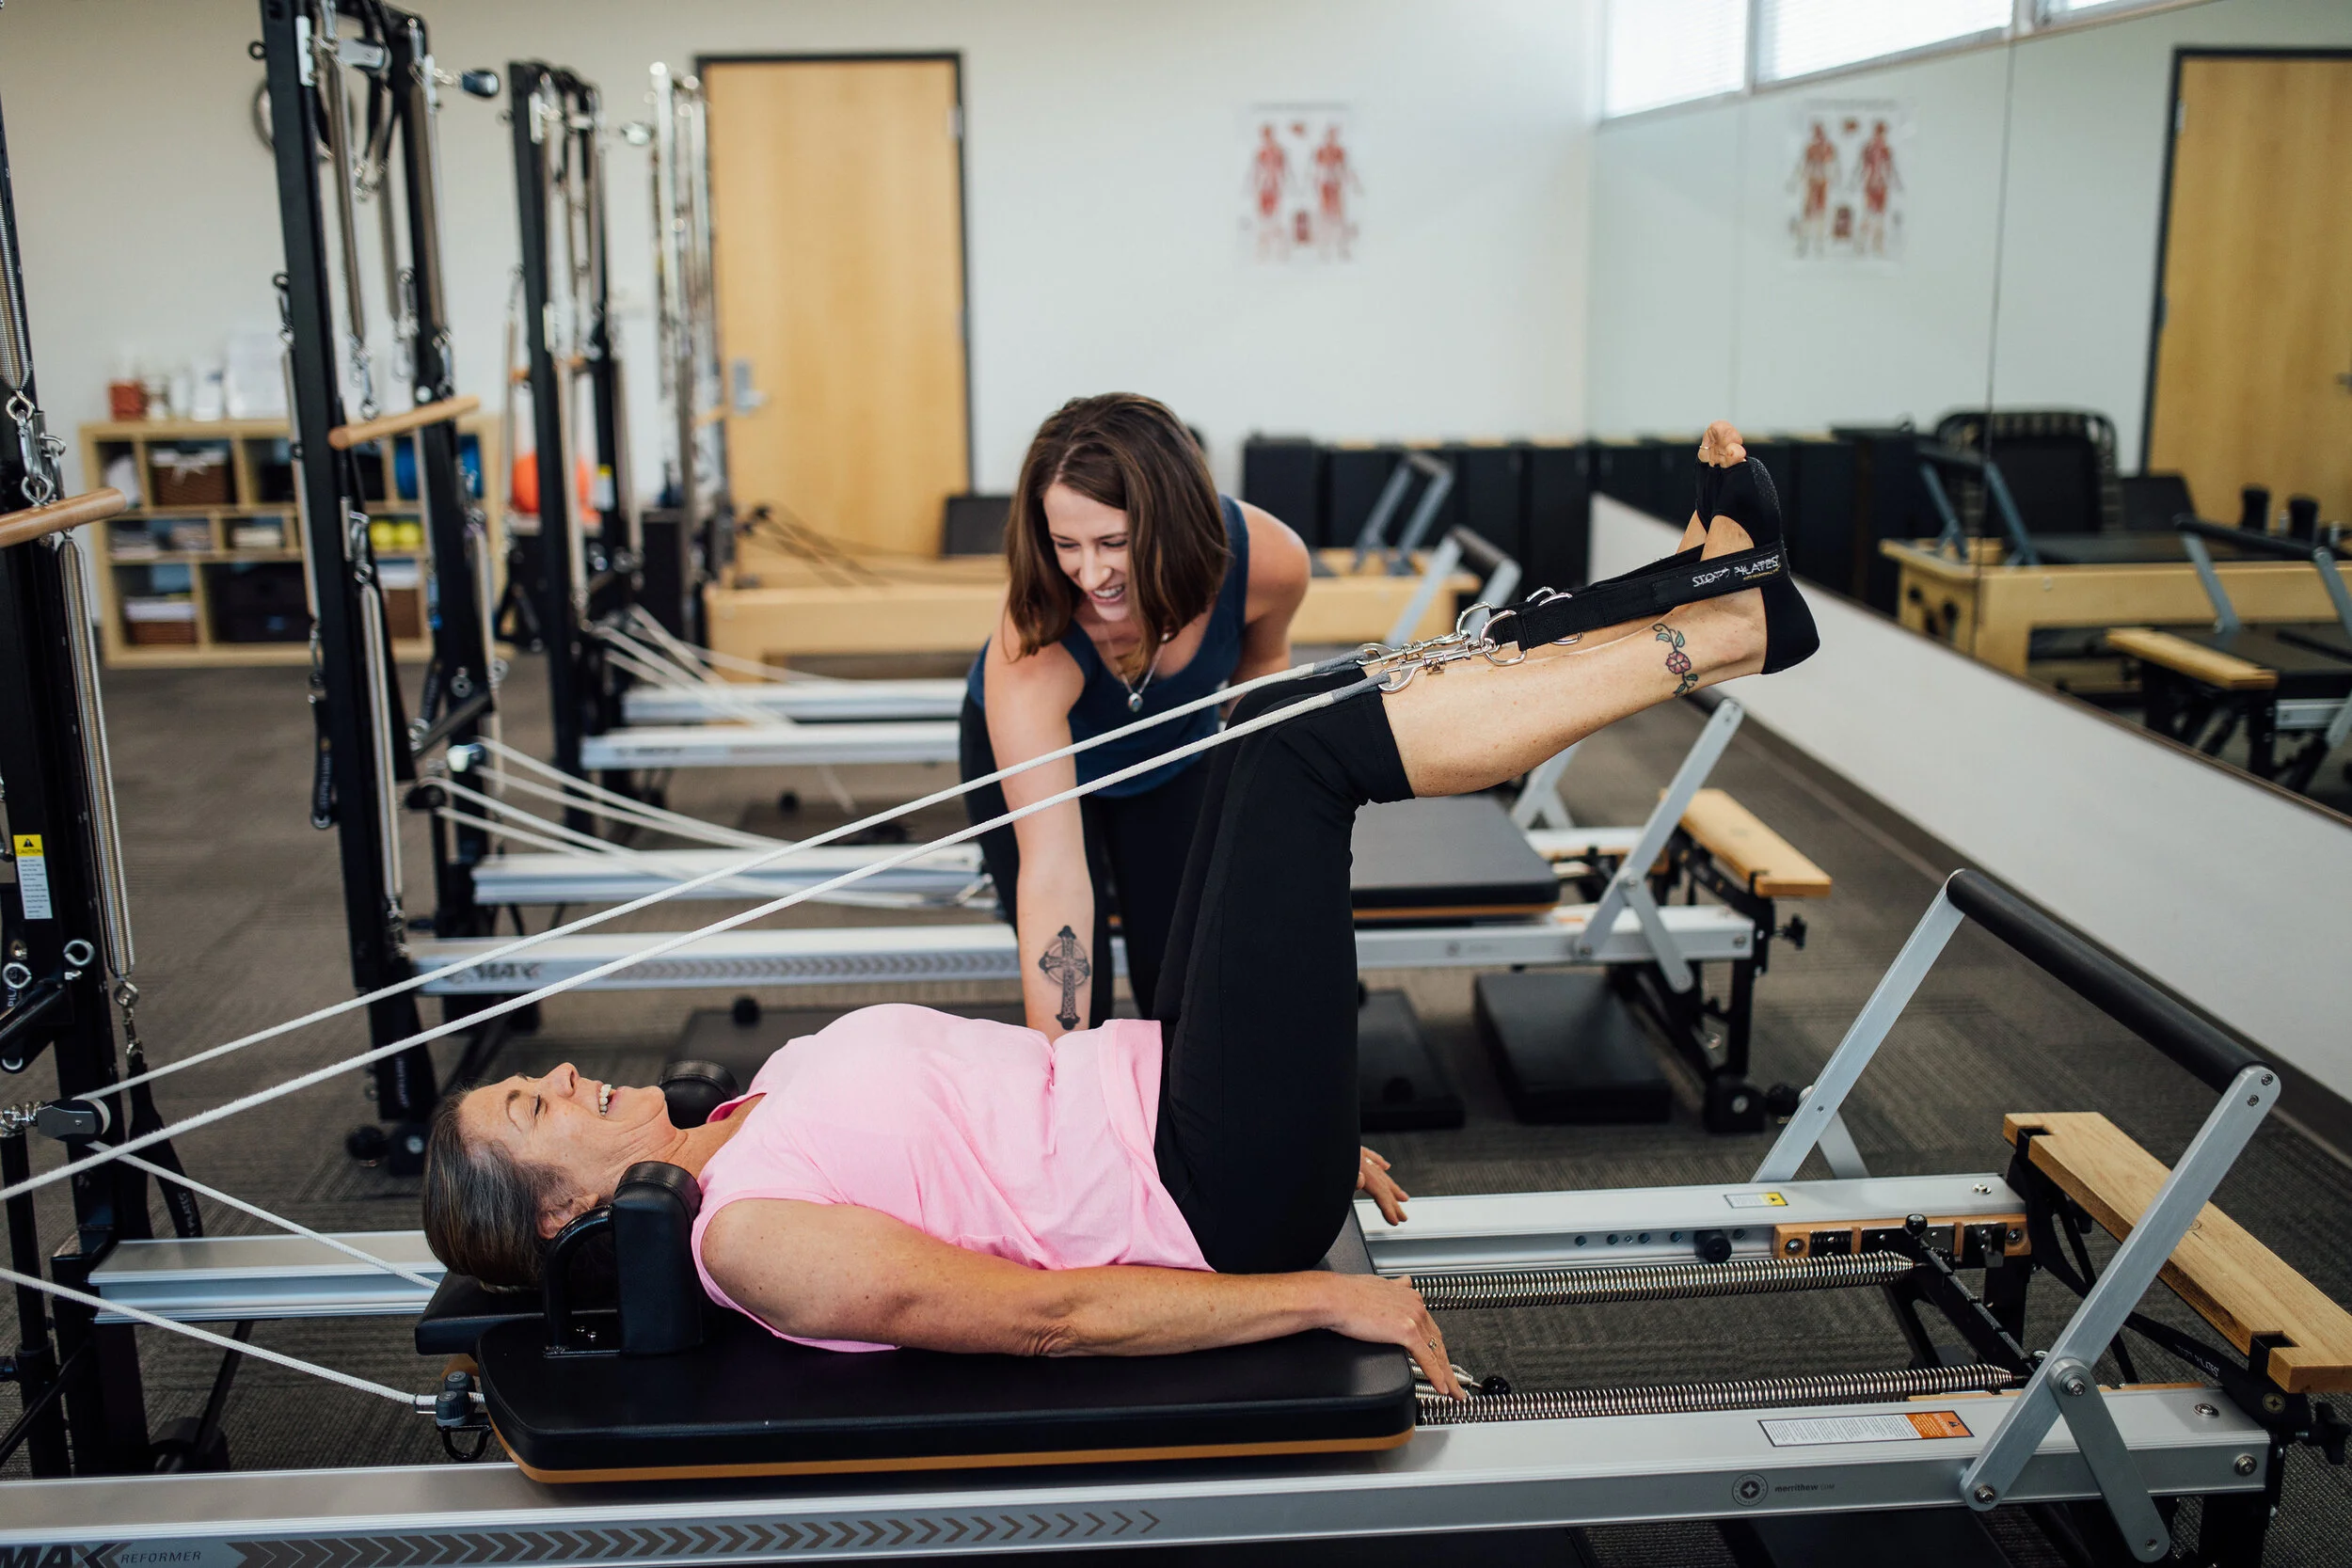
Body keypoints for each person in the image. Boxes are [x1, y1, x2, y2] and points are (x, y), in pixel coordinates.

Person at [422, 425, 1812, 1402]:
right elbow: (1048, 1313)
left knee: (1271, 723)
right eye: (532, 1110)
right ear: (561, 1222)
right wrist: (1322, 1287)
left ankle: (1698, 597)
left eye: (526, 1081)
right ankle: (1726, 623)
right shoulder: (743, 1231)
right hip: (1207, 1189)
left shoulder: (746, 1107)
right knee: (1291, 748)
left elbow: (1041, 1103)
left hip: (1202, 1122)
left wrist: (1293, 1105)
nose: (555, 1072)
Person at [961, 393, 1308, 1037]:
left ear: (1169, 521)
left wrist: (1260, 804)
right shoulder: (1036, 640)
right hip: (1039, 761)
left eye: (1113, 542)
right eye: (1066, 544)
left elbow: (1262, 666)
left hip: (1170, 754)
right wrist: (1063, 1064)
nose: (1090, 574)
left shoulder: (1271, 562)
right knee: (1078, 1000)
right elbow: (1054, 874)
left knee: (1181, 977)